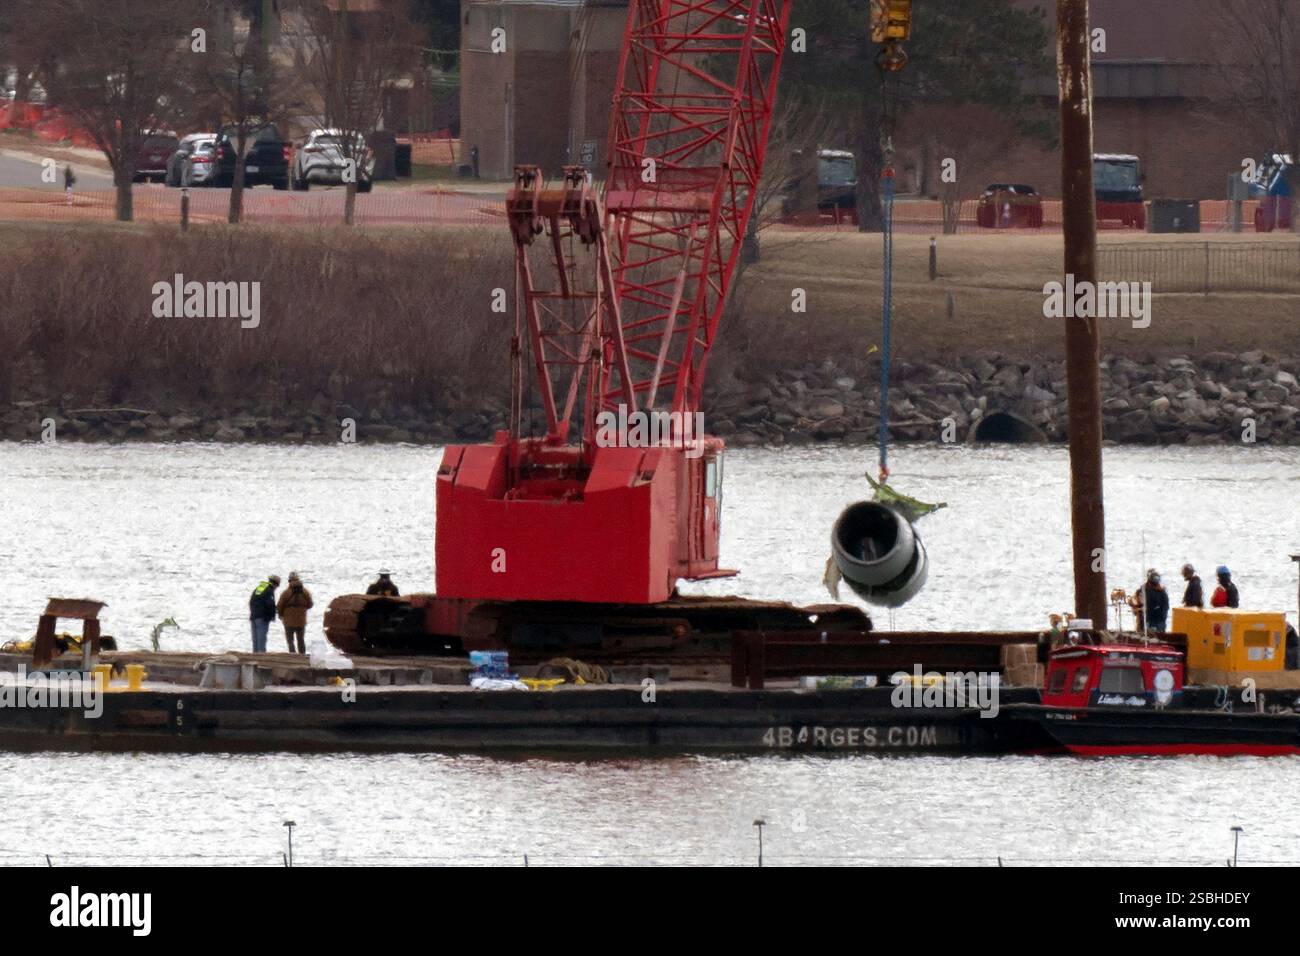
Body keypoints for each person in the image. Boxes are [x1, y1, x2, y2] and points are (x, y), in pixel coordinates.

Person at [276, 572, 314, 654]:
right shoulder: (305, 592)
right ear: (298, 579)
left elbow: (279, 606)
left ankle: (292, 655)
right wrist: (302, 609)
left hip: (288, 621)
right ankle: (302, 655)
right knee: (301, 639)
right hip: (301, 620)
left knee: (290, 641)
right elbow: (310, 604)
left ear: (289, 581)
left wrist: (281, 615)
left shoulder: (286, 593)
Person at [249, 574, 281, 653]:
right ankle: (261, 658)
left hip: (253, 616)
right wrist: (272, 616)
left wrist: (253, 611)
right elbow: (270, 605)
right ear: (275, 584)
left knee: (255, 640)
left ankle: (255, 656)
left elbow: (251, 601)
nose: (276, 588)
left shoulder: (260, 587)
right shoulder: (269, 590)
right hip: (262, 617)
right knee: (261, 639)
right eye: (277, 586)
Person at [1142, 569, 1169, 633]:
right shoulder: (1163, 592)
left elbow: (1149, 605)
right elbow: (1166, 607)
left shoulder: (1148, 591)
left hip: (1153, 620)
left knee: (1151, 637)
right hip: (1160, 620)